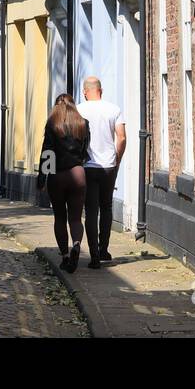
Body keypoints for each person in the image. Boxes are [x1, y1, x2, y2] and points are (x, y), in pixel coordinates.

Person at [76, 76, 126, 269]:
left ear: (85, 92)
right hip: (108, 166)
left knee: (90, 211)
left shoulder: (79, 110)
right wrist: (117, 159)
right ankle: (104, 250)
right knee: (106, 207)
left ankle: (94, 255)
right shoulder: (114, 109)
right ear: (101, 90)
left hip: (87, 167)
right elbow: (121, 138)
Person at [37, 93, 90, 272]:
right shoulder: (83, 123)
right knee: (75, 218)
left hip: (57, 175)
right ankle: (76, 244)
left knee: (60, 217)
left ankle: (65, 256)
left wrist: (42, 179)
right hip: (78, 174)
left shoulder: (52, 124)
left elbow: (48, 152)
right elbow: (84, 151)